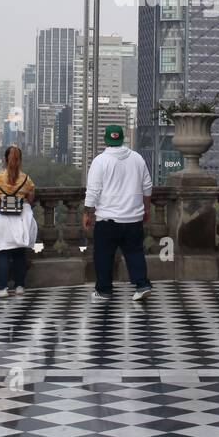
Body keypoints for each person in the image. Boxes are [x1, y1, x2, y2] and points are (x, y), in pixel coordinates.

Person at [82, 124, 153, 303]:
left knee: (104, 255)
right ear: (123, 139)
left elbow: (93, 191)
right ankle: (142, 285)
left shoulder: (100, 161)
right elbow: (147, 188)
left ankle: (104, 290)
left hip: (108, 219)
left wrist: (87, 213)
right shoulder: (137, 158)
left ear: (106, 140)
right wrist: (146, 209)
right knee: (135, 253)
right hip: (133, 217)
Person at [0, 146, 37, 299]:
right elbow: (31, 196)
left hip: (1, 217)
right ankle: (20, 286)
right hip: (20, 217)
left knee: (3, 252)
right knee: (19, 251)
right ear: (20, 160)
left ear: (5, 159)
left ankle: (2, 288)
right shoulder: (26, 179)